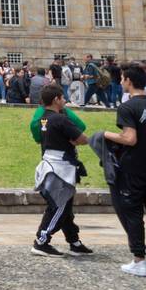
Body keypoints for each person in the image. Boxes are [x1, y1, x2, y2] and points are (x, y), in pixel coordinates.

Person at [102, 63, 146, 278]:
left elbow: (129, 138)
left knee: (134, 215)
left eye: (123, 78)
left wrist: (105, 134)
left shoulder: (127, 107)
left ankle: (139, 260)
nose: (121, 82)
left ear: (128, 81)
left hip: (134, 168)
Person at [31, 85, 93, 257]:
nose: (65, 100)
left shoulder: (43, 119)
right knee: (60, 206)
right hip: (60, 168)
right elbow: (81, 138)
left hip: (51, 165)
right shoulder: (61, 119)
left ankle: (73, 241)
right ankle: (41, 241)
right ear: (56, 99)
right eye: (63, 98)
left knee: (65, 207)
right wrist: (91, 139)